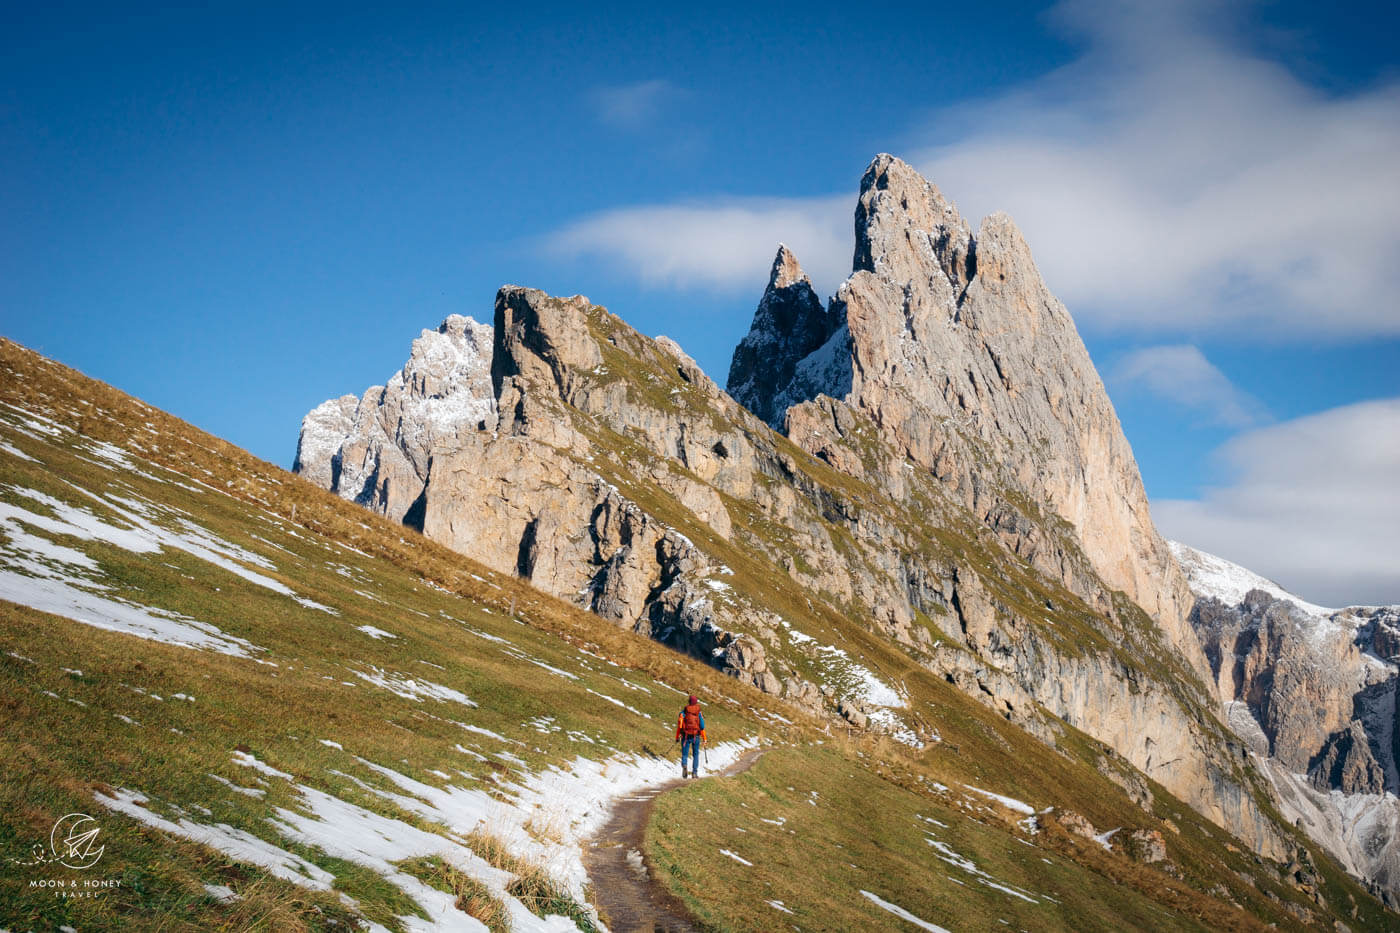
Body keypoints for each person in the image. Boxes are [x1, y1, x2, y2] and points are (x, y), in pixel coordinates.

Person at [675, 694, 706, 778]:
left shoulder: (684, 711)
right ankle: (694, 773)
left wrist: (677, 737)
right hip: (696, 736)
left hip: (685, 736)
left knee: (684, 754)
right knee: (695, 754)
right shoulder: (698, 712)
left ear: (689, 701)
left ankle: (684, 765)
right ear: (696, 702)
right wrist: (704, 738)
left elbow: (680, 725)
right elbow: (702, 726)